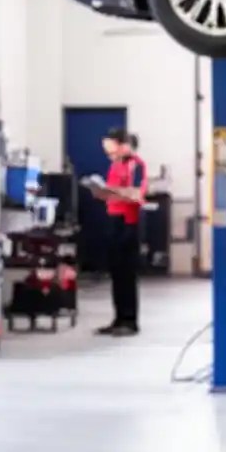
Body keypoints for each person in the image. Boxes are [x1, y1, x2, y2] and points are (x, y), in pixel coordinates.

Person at [92, 128, 148, 336]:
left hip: (129, 222)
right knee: (116, 274)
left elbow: (135, 194)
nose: (110, 155)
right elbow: (115, 193)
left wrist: (111, 192)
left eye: (112, 150)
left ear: (123, 145)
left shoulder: (137, 166)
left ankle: (130, 321)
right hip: (113, 220)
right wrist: (101, 192)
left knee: (127, 274)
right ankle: (118, 318)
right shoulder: (116, 165)